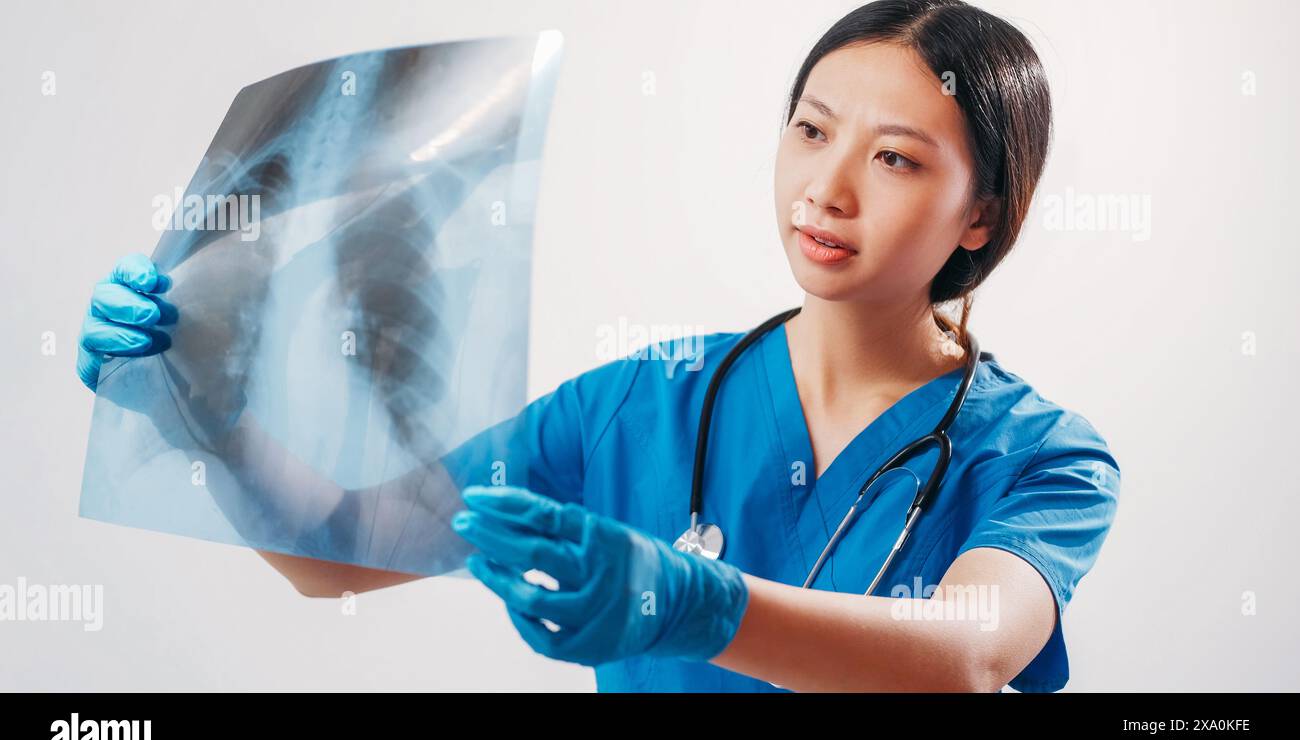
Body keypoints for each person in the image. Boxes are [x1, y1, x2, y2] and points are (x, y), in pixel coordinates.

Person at [77, 0, 1120, 692]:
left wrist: (696, 604)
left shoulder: (1037, 455)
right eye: (809, 130)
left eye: (893, 158)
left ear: (982, 211)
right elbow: (340, 553)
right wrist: (209, 416)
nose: (826, 189)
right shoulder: (638, 402)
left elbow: (970, 652)